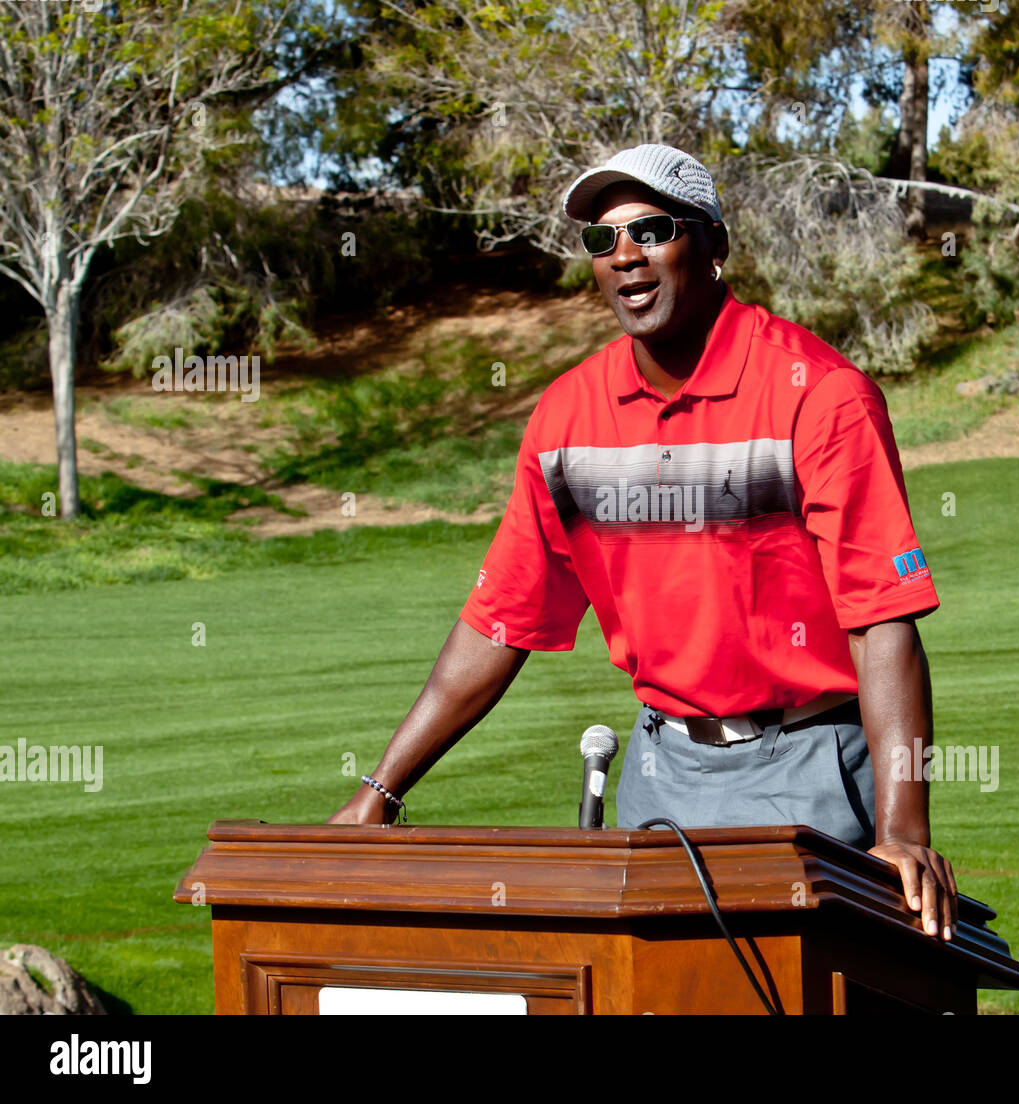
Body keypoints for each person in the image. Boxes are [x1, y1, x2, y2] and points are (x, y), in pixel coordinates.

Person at [329, 144, 959, 942]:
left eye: (653, 230)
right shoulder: (565, 419)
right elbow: (500, 620)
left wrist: (903, 828)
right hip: (662, 772)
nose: (624, 255)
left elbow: (882, 620)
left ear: (714, 245)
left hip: (808, 768)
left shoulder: (820, 397)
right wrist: (379, 792)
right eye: (602, 240)